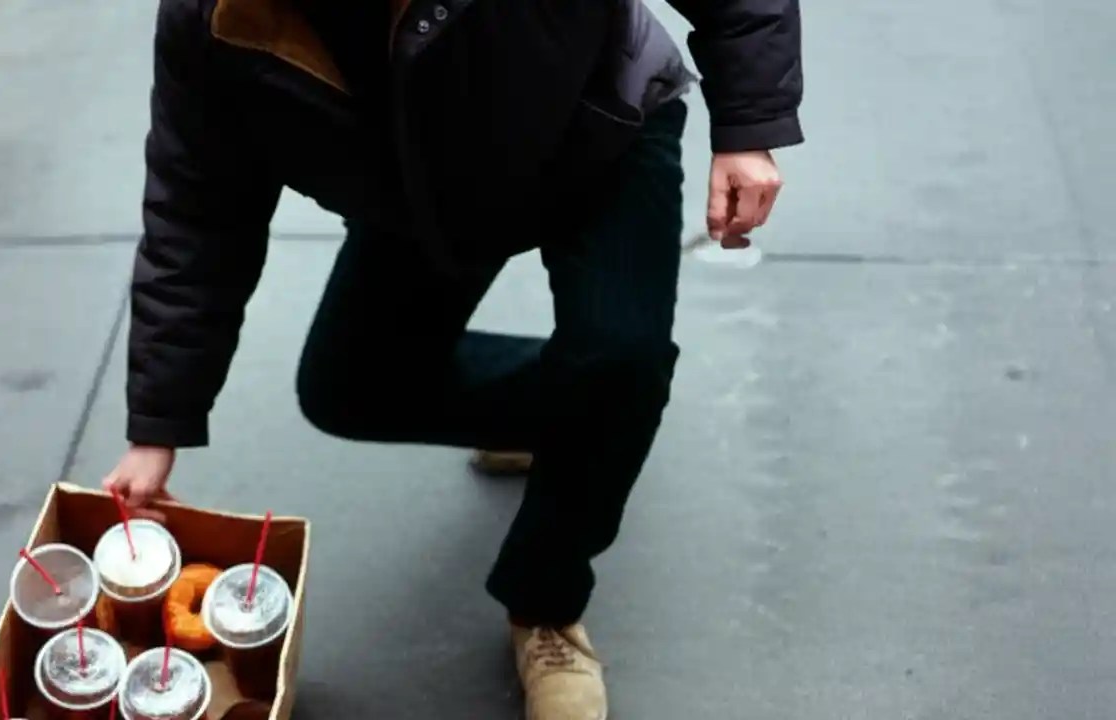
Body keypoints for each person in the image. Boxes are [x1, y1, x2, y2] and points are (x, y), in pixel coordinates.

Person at [103, 0, 803, 717]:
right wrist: (158, 425)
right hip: (427, 190)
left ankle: (546, 606)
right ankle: (579, 421)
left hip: (598, 122)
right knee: (349, 388)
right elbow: (196, 212)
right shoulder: (213, 19)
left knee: (620, 356)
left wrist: (749, 126)